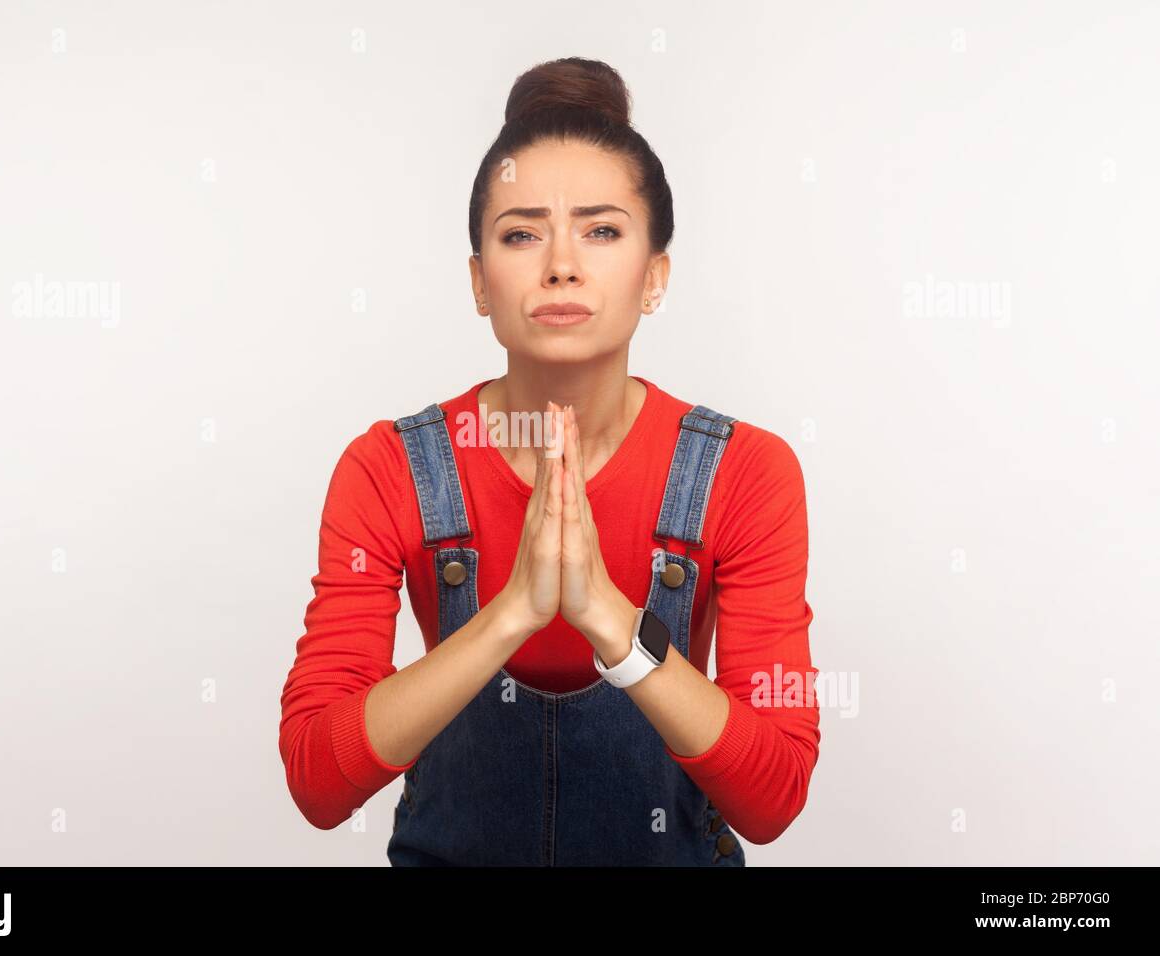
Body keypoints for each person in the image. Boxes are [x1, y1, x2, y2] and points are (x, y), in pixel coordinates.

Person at [279, 56, 819, 866]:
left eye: (601, 230)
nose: (561, 264)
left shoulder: (745, 472)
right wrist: (512, 615)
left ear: (654, 276)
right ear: (479, 283)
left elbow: (774, 795)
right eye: (521, 233)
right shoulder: (388, 467)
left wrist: (606, 615)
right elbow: (318, 779)